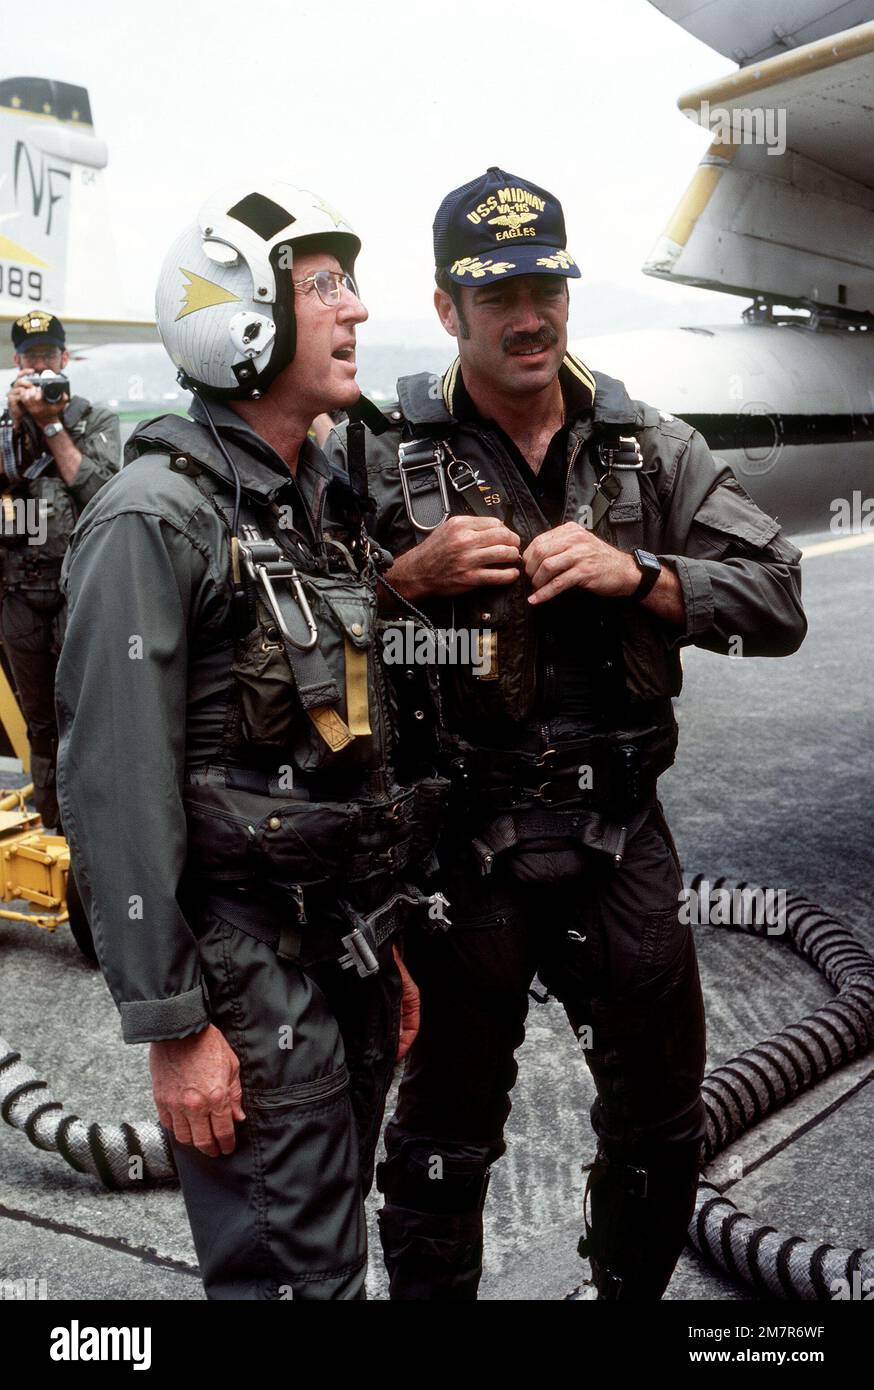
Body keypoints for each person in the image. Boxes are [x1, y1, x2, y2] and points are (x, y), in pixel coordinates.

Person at [325, 166, 807, 1300]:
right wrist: (403, 580)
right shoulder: (376, 456)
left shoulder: (651, 449)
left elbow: (779, 600)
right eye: (497, 296)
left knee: (659, 1125)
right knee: (439, 1145)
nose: (528, 316)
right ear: (448, 308)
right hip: (462, 854)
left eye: (545, 286)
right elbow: (295, 643)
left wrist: (641, 573)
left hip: (619, 839)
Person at [55, 181, 447, 1300]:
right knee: (289, 1276)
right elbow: (114, 783)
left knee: (328, 1251)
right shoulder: (153, 514)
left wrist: (388, 941)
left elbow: (348, 746)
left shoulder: (304, 502)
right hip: (243, 972)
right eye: (325, 286)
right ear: (245, 319)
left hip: (343, 955)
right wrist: (173, 1026)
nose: (357, 310)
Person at [0, 312, 119, 827]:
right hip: (20, 595)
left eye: (50, 355)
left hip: (79, 589)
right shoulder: (6, 425)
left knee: (87, 715)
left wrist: (51, 424)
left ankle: (93, 822)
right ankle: (54, 825)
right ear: (17, 364)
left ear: (66, 359)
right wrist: (13, 425)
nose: (42, 365)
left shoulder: (95, 419)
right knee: (40, 722)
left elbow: (102, 496)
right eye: (32, 357)